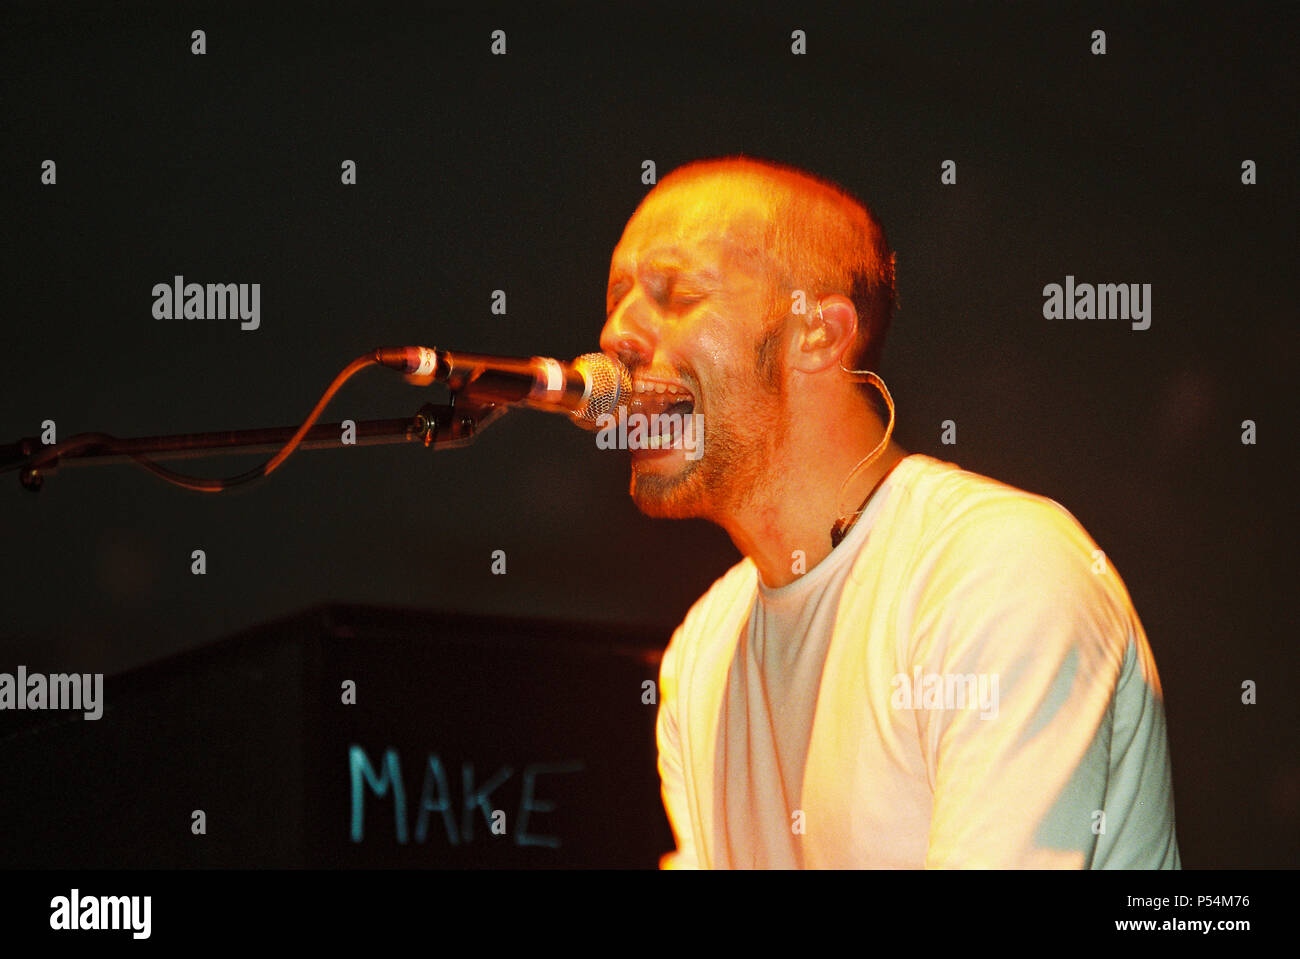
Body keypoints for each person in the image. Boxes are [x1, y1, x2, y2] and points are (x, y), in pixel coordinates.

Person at [598, 156, 1181, 869]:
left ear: (818, 332)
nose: (616, 335)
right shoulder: (703, 653)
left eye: (678, 292)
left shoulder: (996, 572)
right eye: (617, 297)